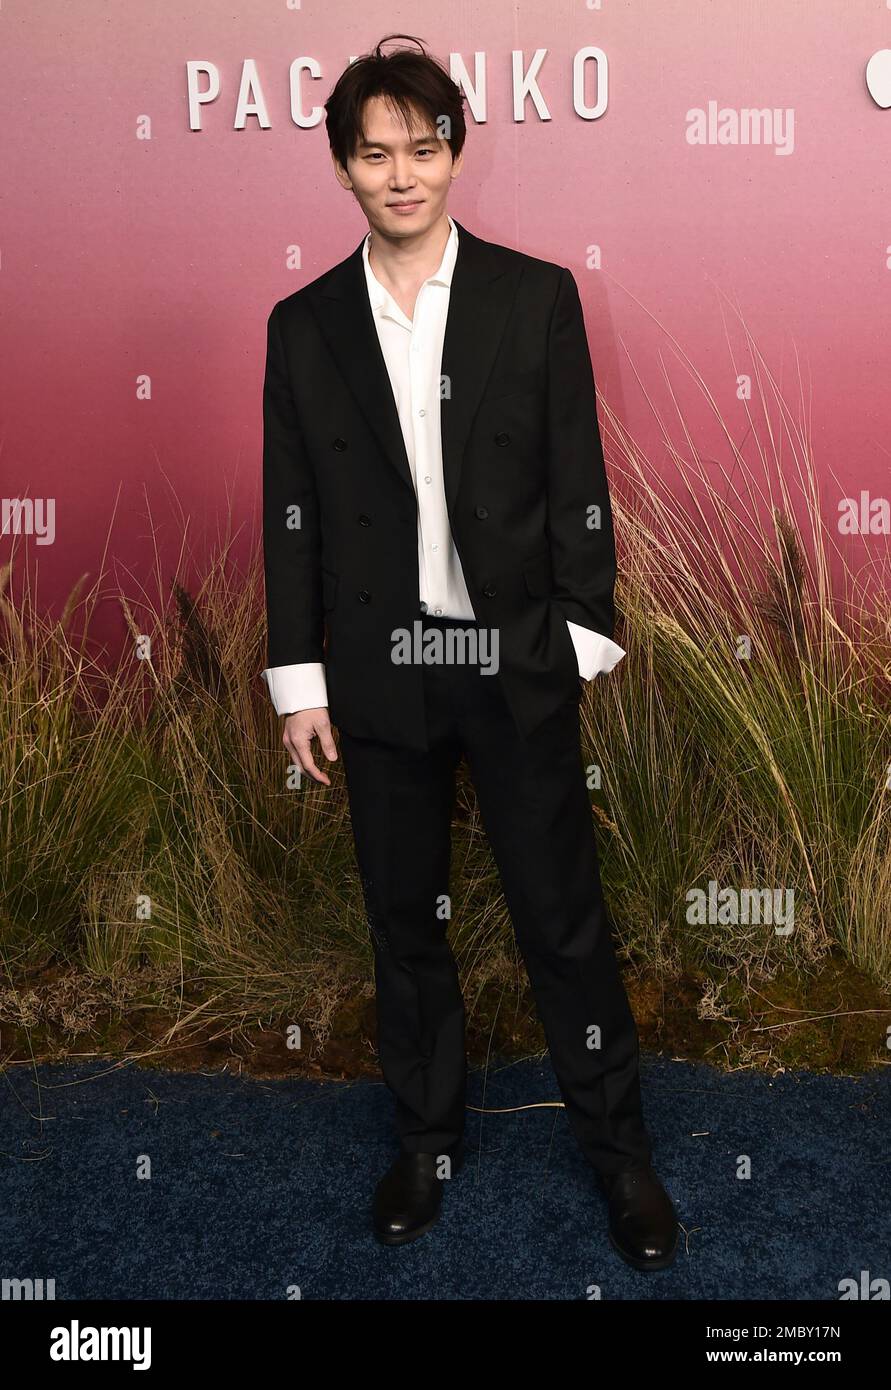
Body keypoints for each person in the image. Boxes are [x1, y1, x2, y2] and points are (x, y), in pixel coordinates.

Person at [260, 34, 678, 1271]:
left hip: (512, 657)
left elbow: (576, 480)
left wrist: (582, 635)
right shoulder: (301, 325)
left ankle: (620, 1156)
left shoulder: (534, 296)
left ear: (457, 153)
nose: (403, 173)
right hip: (380, 669)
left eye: (424, 148)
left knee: (565, 920)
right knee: (406, 924)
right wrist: (300, 678)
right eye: (376, 153)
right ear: (343, 166)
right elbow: (290, 509)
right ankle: (425, 1143)